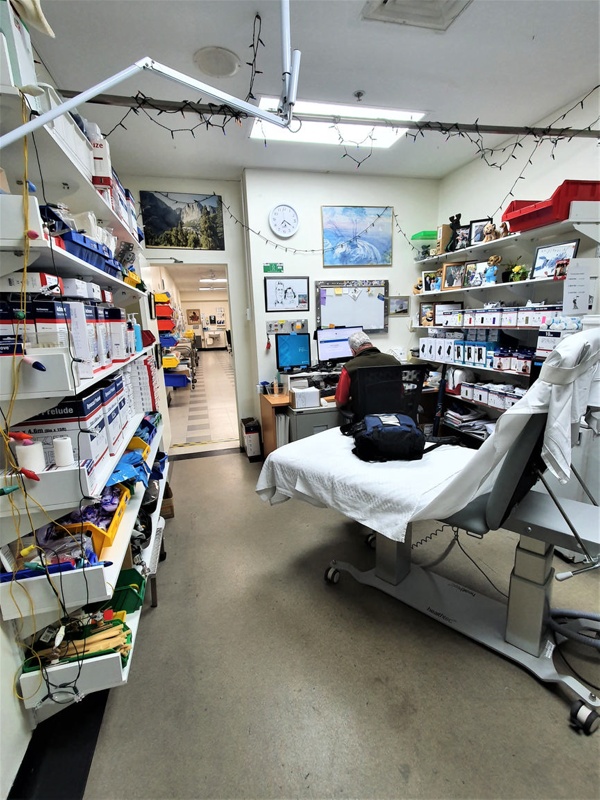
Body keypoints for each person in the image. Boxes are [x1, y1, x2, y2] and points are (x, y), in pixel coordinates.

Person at [335, 331, 399, 417]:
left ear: (353, 351)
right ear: (371, 344)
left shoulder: (349, 367)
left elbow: (340, 402)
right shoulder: (393, 361)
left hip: (365, 419)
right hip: (394, 416)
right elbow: (401, 392)